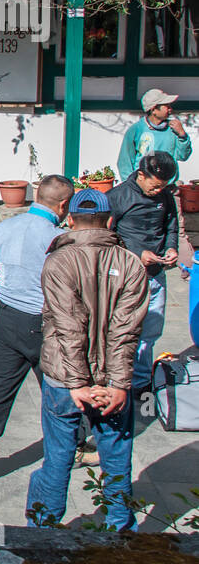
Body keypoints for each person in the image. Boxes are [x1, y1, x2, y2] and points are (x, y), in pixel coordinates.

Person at [25, 189, 148, 532]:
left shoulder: (58, 261)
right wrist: (120, 384)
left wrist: (79, 383)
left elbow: (68, 325)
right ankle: (119, 533)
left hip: (65, 381)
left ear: (70, 221)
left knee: (59, 458)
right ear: (110, 221)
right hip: (110, 381)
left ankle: (42, 531)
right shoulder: (131, 263)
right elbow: (126, 333)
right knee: (117, 461)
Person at [0, 174, 74, 486]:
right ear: (63, 205)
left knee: (0, 385)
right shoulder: (57, 238)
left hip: (9, 316)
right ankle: (74, 444)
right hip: (43, 322)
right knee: (58, 384)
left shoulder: (6, 227)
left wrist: (7, 289)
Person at [107, 150, 179, 395]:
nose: (159, 190)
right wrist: (136, 255)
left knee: (150, 332)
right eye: (155, 185)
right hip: (126, 277)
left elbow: (171, 226)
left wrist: (171, 247)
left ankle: (139, 383)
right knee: (122, 330)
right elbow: (106, 238)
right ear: (141, 174)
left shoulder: (165, 197)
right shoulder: (118, 197)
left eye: (164, 186)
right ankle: (116, 380)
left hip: (156, 274)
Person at [117, 89, 194, 270]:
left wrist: (183, 136)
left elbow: (183, 156)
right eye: (165, 105)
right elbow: (125, 160)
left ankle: (186, 269)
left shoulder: (173, 129)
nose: (169, 109)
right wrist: (133, 187)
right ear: (153, 109)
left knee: (177, 227)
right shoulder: (136, 130)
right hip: (141, 188)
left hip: (169, 188)